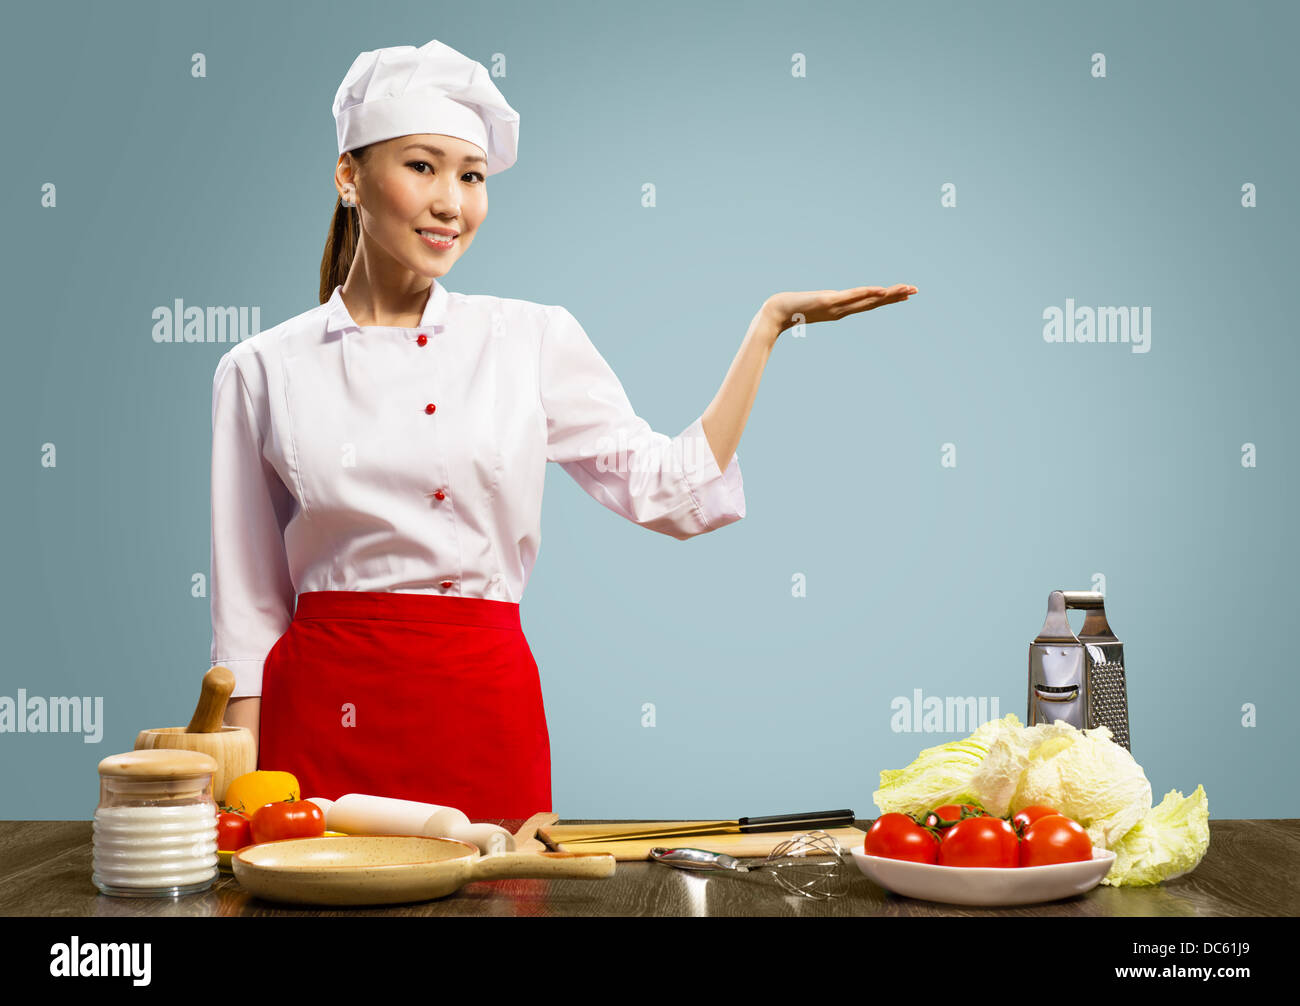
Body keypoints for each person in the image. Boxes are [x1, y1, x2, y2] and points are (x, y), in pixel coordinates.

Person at [210, 39, 916, 820]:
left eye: (471, 176)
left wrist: (767, 328)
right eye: (422, 166)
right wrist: (240, 795)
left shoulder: (530, 339)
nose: (452, 201)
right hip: (321, 720)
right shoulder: (261, 368)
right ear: (349, 175)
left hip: (481, 710)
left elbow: (671, 493)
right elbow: (247, 616)